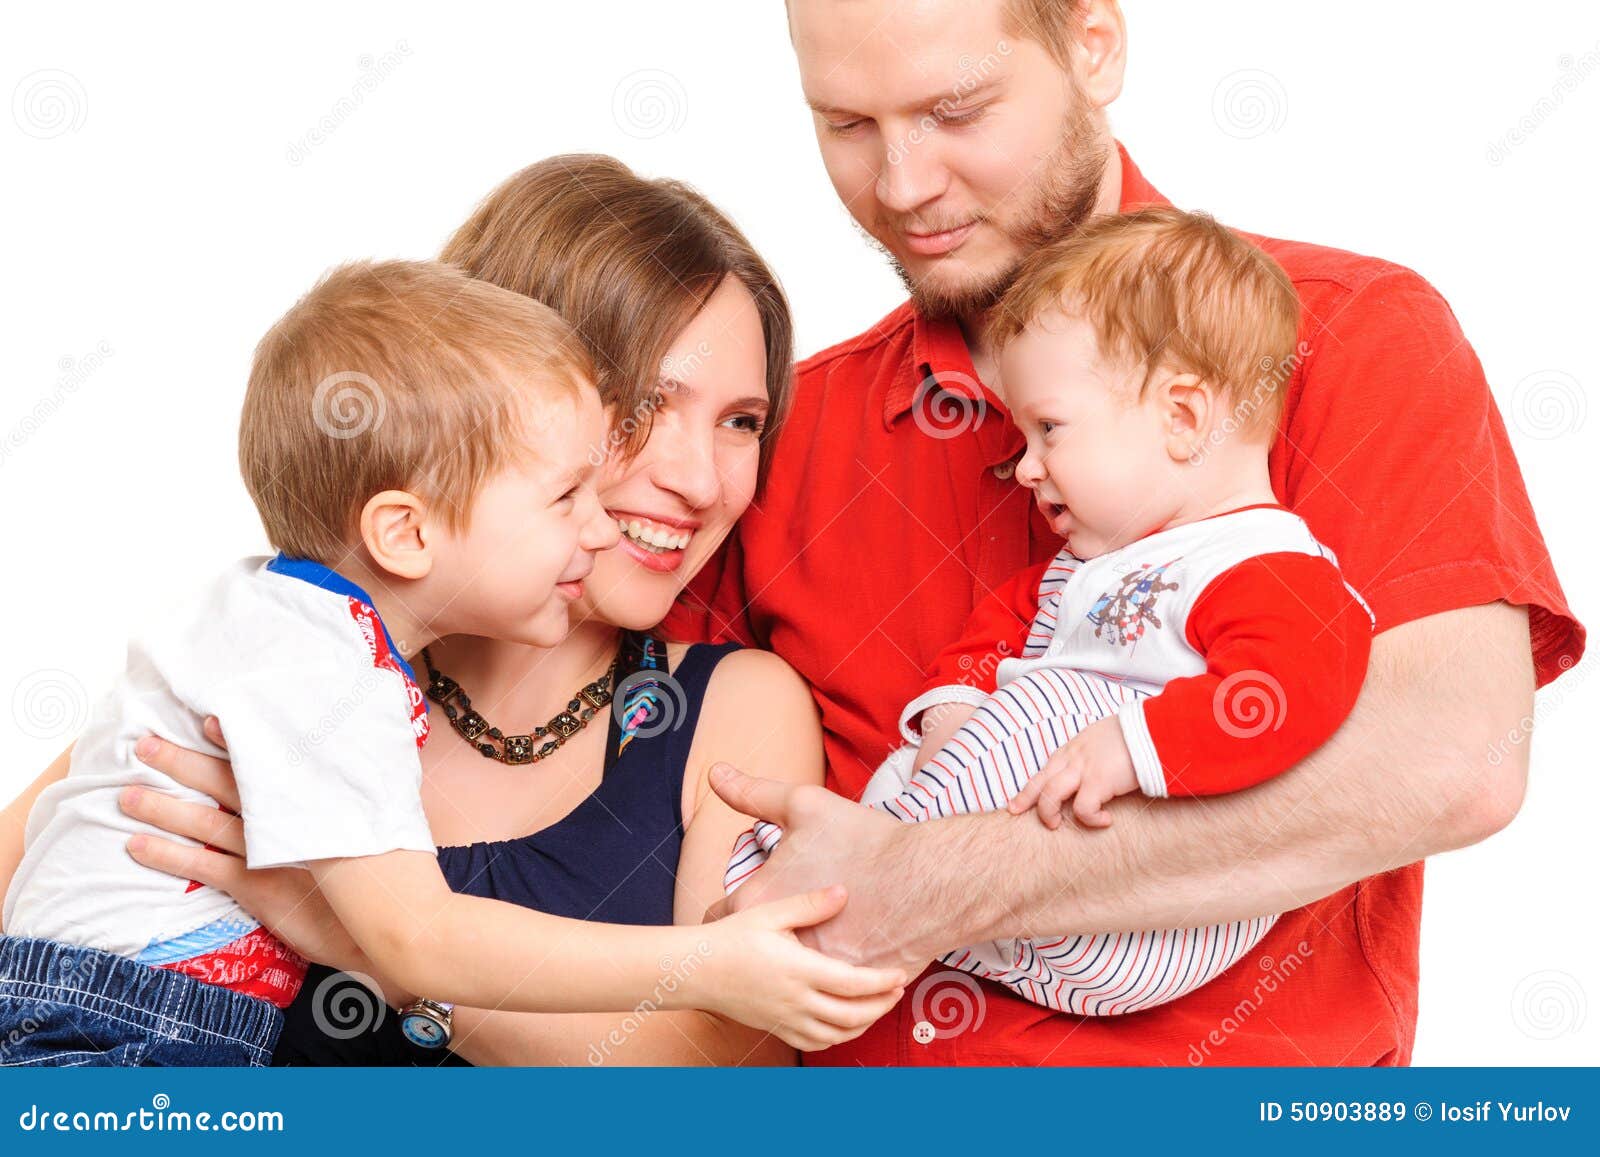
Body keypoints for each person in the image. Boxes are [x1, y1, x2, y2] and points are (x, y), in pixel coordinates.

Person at [679, 0, 1585, 1065]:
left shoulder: (1345, 333)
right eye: (845, 125)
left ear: (1093, 46)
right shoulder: (775, 431)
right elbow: (598, 765)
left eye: (955, 111)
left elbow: (1454, 757)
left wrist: (930, 880)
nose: (903, 185)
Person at [0, 156, 860, 1066]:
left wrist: (355, 944)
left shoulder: (734, 711)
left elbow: (725, 1100)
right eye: (643, 407)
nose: (701, 481)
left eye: (742, 421)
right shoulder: (285, 657)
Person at [725, 207, 1373, 1018]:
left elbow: (1291, 690)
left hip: (1148, 923)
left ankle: (841, 874)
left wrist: (1131, 745)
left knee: (1050, 702)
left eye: (1050, 430)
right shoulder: (1088, 566)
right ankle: (828, 894)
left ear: (1183, 420)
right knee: (960, 727)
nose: (1026, 467)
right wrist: (953, 710)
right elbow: (1002, 627)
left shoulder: (1259, 562)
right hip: (1029, 915)